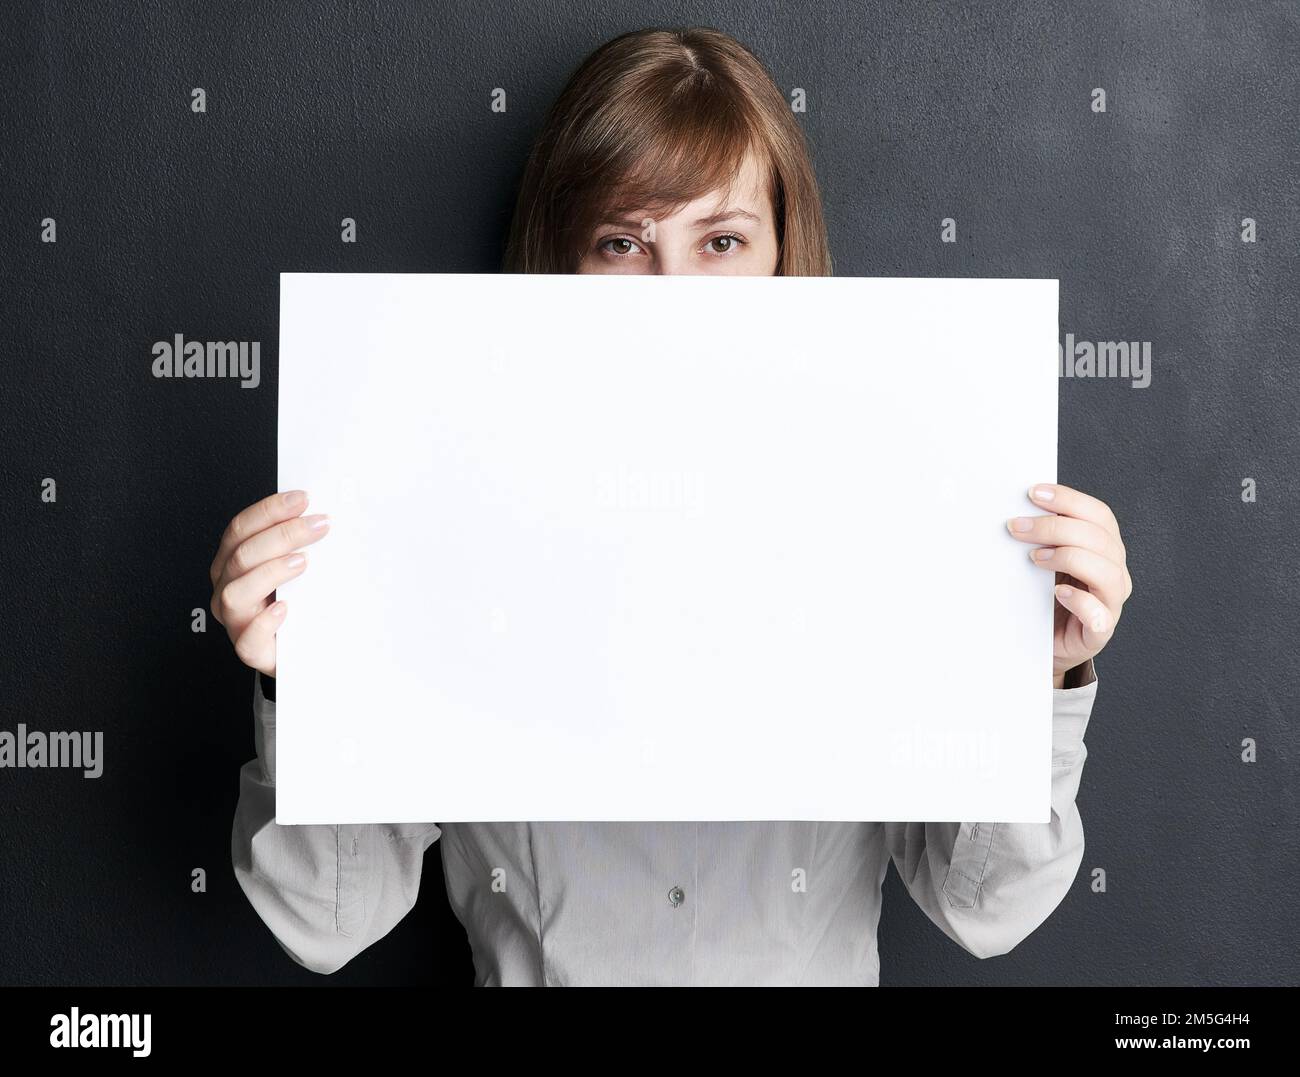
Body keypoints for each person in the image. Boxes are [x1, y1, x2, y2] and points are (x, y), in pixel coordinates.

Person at [220, 27, 1131, 985]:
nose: (673, 298)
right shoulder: (435, 508)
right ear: (559, 263)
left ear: (784, 254)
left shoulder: (901, 508)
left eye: (722, 241)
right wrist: (304, 682)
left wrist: (1041, 679)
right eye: (622, 243)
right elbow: (329, 918)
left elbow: (987, 907)